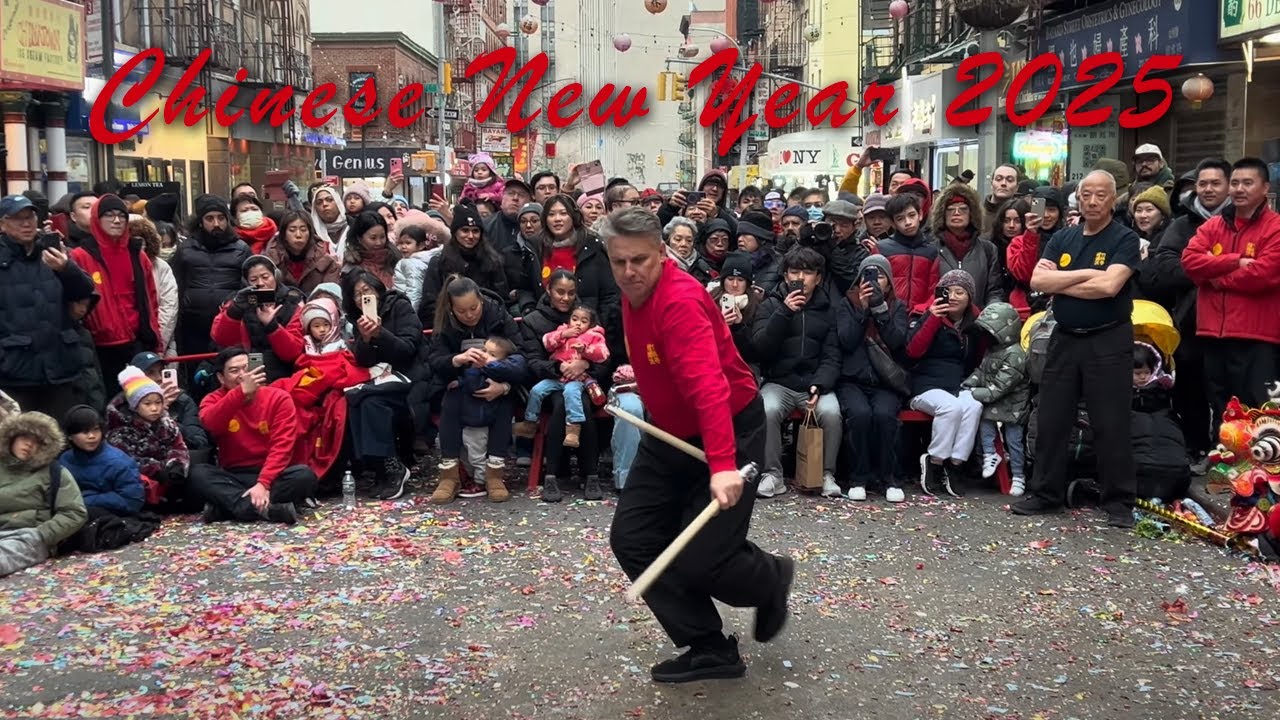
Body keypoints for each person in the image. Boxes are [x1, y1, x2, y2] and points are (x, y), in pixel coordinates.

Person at [602, 207, 794, 684]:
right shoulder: (630, 291)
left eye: (639, 260)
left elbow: (710, 387)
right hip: (668, 434)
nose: (629, 272)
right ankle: (709, 646)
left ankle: (770, 577)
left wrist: (723, 464)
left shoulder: (679, 301)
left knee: (706, 560)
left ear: (662, 253)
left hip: (729, 428)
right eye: (619, 261)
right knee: (633, 538)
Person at [1012, 170, 1140, 526]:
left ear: (1113, 199)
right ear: (1078, 199)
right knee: (1052, 418)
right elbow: (1038, 280)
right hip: (1065, 336)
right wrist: (1087, 275)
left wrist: (1062, 283)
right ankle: (1046, 493)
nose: (1093, 201)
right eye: (1087, 195)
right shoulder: (1062, 238)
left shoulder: (1124, 239)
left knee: (1111, 422)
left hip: (1109, 338)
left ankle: (1118, 500)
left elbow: (1110, 287)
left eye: (1101, 195)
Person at [190, 347, 318, 524]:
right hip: (234, 475)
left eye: (247, 368)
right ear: (221, 377)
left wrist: (263, 483)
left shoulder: (279, 397)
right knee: (197, 474)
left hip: (272, 474)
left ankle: (229, 509)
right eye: (234, 371)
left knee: (304, 476)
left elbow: (282, 446)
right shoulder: (213, 399)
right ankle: (268, 511)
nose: (243, 375)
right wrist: (239, 394)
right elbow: (211, 423)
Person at [0, 195, 96, 419]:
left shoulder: (53, 251)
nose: (26, 223)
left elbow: (86, 290)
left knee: (61, 434)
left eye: (30, 217)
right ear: (2, 224)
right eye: (18, 219)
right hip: (14, 371)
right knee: (21, 436)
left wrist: (66, 268)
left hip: (60, 366)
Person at [904, 270, 984, 497]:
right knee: (951, 407)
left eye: (960, 292)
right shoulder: (924, 314)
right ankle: (935, 461)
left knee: (974, 405)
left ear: (969, 297)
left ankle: (955, 464)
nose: (954, 297)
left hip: (957, 385)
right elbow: (912, 351)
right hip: (924, 386)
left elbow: (977, 358)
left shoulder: (973, 324)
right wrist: (932, 318)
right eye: (948, 291)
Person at [0, 410, 86, 576]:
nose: (29, 445)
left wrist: (42, 534)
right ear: (12, 437)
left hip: (29, 535)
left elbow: (75, 512)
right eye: (25, 437)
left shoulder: (55, 472)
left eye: (38, 442)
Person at [960, 302, 1031, 496]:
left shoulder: (1015, 355)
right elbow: (981, 372)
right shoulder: (992, 350)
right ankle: (990, 455)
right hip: (993, 403)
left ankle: (1018, 476)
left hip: (1013, 407)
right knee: (985, 425)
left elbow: (1000, 387)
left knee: (1014, 442)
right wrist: (968, 383)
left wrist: (973, 393)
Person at [515, 305, 609, 448]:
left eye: (583, 321)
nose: (578, 324)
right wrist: (563, 335)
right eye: (575, 319)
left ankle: (573, 428)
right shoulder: (563, 331)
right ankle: (530, 423)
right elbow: (547, 343)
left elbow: (602, 355)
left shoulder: (594, 336)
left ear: (590, 324)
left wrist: (585, 350)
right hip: (558, 376)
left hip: (577, 378)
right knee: (536, 390)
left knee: (571, 393)